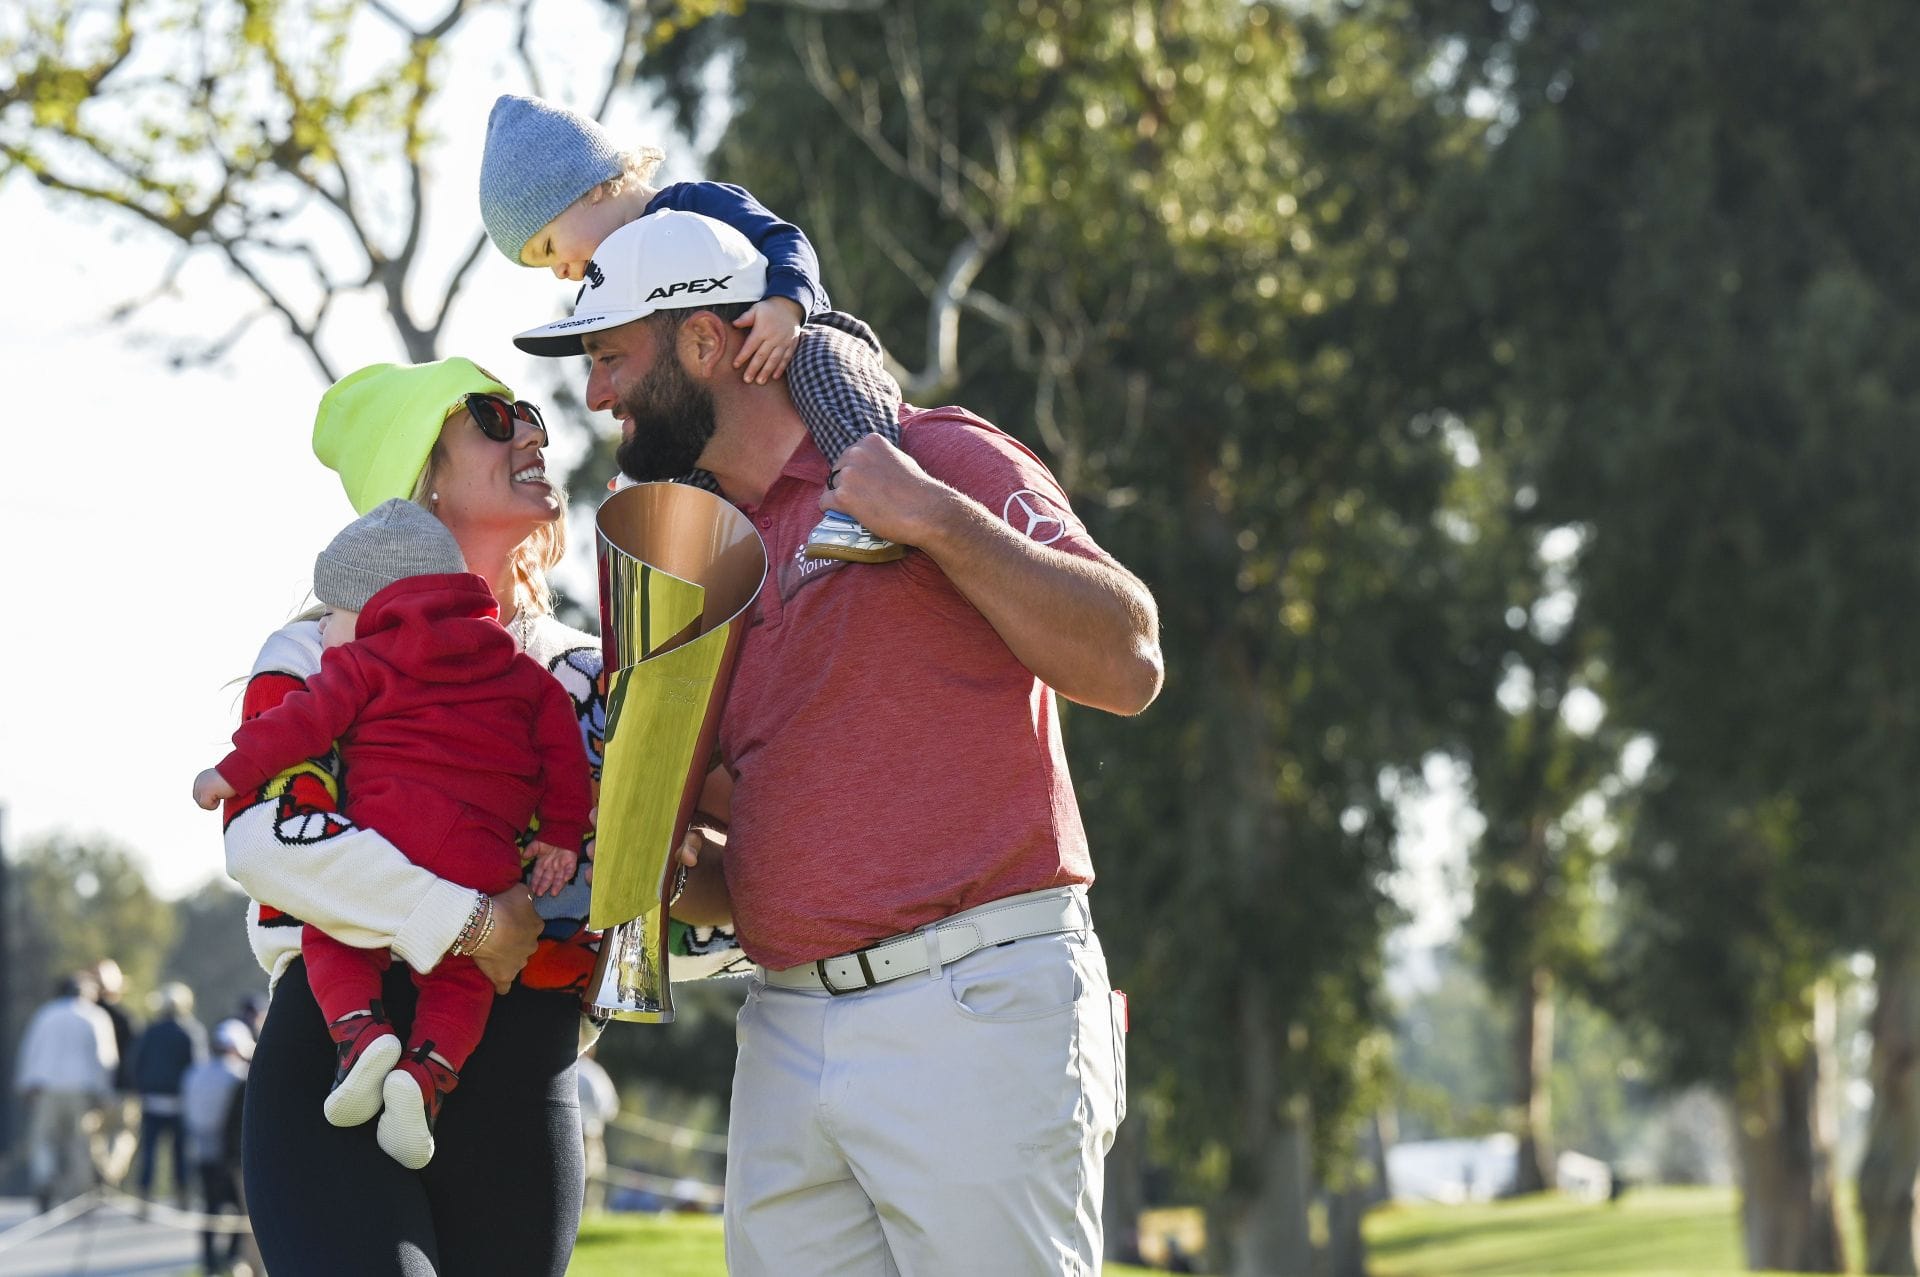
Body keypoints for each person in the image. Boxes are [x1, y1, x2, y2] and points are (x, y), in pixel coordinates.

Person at [515, 211, 1164, 1274]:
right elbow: (760, 850)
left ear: (707, 345)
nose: (595, 395)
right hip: (784, 1028)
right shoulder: (686, 564)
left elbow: (1129, 658)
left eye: (612, 357)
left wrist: (940, 520)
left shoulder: (936, 454)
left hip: (975, 1006)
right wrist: (650, 866)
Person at [216, 356, 659, 1276]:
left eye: (533, 413)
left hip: (528, 1065)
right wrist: (469, 924)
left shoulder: (586, 668)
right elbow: (265, 840)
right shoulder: (313, 648)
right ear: (421, 473)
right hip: (344, 1043)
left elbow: (626, 881)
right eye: (496, 418)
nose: (534, 431)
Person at [194, 498, 593, 1169]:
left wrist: (227, 773)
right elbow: (562, 752)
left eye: (333, 613)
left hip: (390, 835)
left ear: (378, 606)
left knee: (329, 925)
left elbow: (299, 726)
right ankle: (424, 1075)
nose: (322, 629)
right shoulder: (525, 673)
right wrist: (557, 834)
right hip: (486, 863)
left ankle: (361, 1035)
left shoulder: (360, 664)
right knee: (464, 983)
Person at [480, 92, 905, 564]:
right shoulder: (605, 284)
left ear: (591, 188)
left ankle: (870, 506)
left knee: (819, 365)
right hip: (723, 403)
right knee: (684, 480)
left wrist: (786, 305)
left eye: (549, 247)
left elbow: (784, 238)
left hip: (801, 337)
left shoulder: (694, 204)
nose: (559, 270)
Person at [13, 974, 118, 1211]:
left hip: (48, 1088)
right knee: (80, 1142)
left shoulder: (46, 1014)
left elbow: (31, 1050)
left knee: (44, 1140)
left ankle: (45, 1178)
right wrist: (105, 1092)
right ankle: (78, 1194)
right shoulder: (95, 1016)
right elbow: (106, 1057)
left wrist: (26, 1084)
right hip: (82, 1090)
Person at [182, 1019, 253, 1275]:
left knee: (210, 1207)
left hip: (201, 1151)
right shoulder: (240, 1075)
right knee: (239, 1211)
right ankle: (233, 1258)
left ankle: (209, 1261)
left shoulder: (194, 1073)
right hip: (231, 1155)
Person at [130, 982, 205, 1208]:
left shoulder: (152, 1031)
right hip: (180, 1101)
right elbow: (197, 1067)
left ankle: (144, 1194)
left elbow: (136, 1062)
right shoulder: (190, 1031)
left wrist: (140, 1088)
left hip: (152, 1099)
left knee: (149, 1151)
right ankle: (182, 1195)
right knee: (180, 1152)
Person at [86, 959, 138, 1186]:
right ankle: (110, 1175)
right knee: (124, 1134)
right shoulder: (126, 1018)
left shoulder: (87, 1014)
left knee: (92, 1136)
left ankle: (100, 1172)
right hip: (122, 1088)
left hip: (92, 1087)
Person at [574, 1042, 619, 1215]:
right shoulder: (594, 1073)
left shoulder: (562, 1068)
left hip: (570, 1131)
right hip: (589, 1133)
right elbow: (608, 1107)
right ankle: (589, 1213)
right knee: (592, 1177)